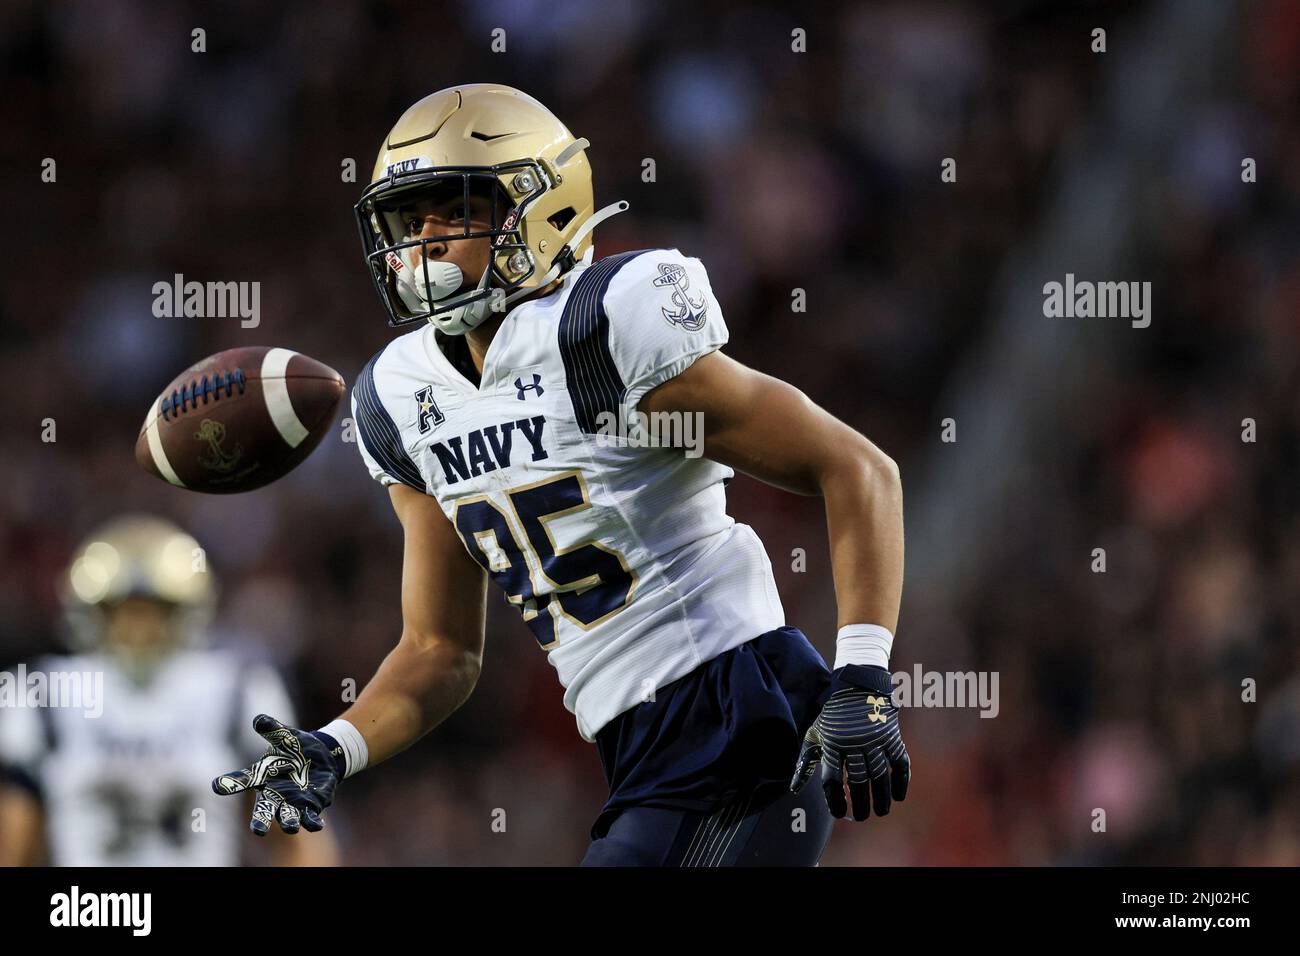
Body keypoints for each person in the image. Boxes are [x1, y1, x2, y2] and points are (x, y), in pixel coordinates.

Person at [213, 84, 908, 866]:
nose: (426, 243)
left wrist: (862, 674)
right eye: (412, 221)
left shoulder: (602, 327)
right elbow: (440, 649)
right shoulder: (399, 397)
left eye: (454, 212)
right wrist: (335, 748)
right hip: (642, 753)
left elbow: (856, 467)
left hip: (739, 716)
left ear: (537, 209)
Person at [0, 515, 336, 866]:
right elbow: (16, 848)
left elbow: (297, 836)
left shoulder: (234, 689)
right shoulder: (48, 695)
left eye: (153, 614)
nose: (138, 631)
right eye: (124, 614)